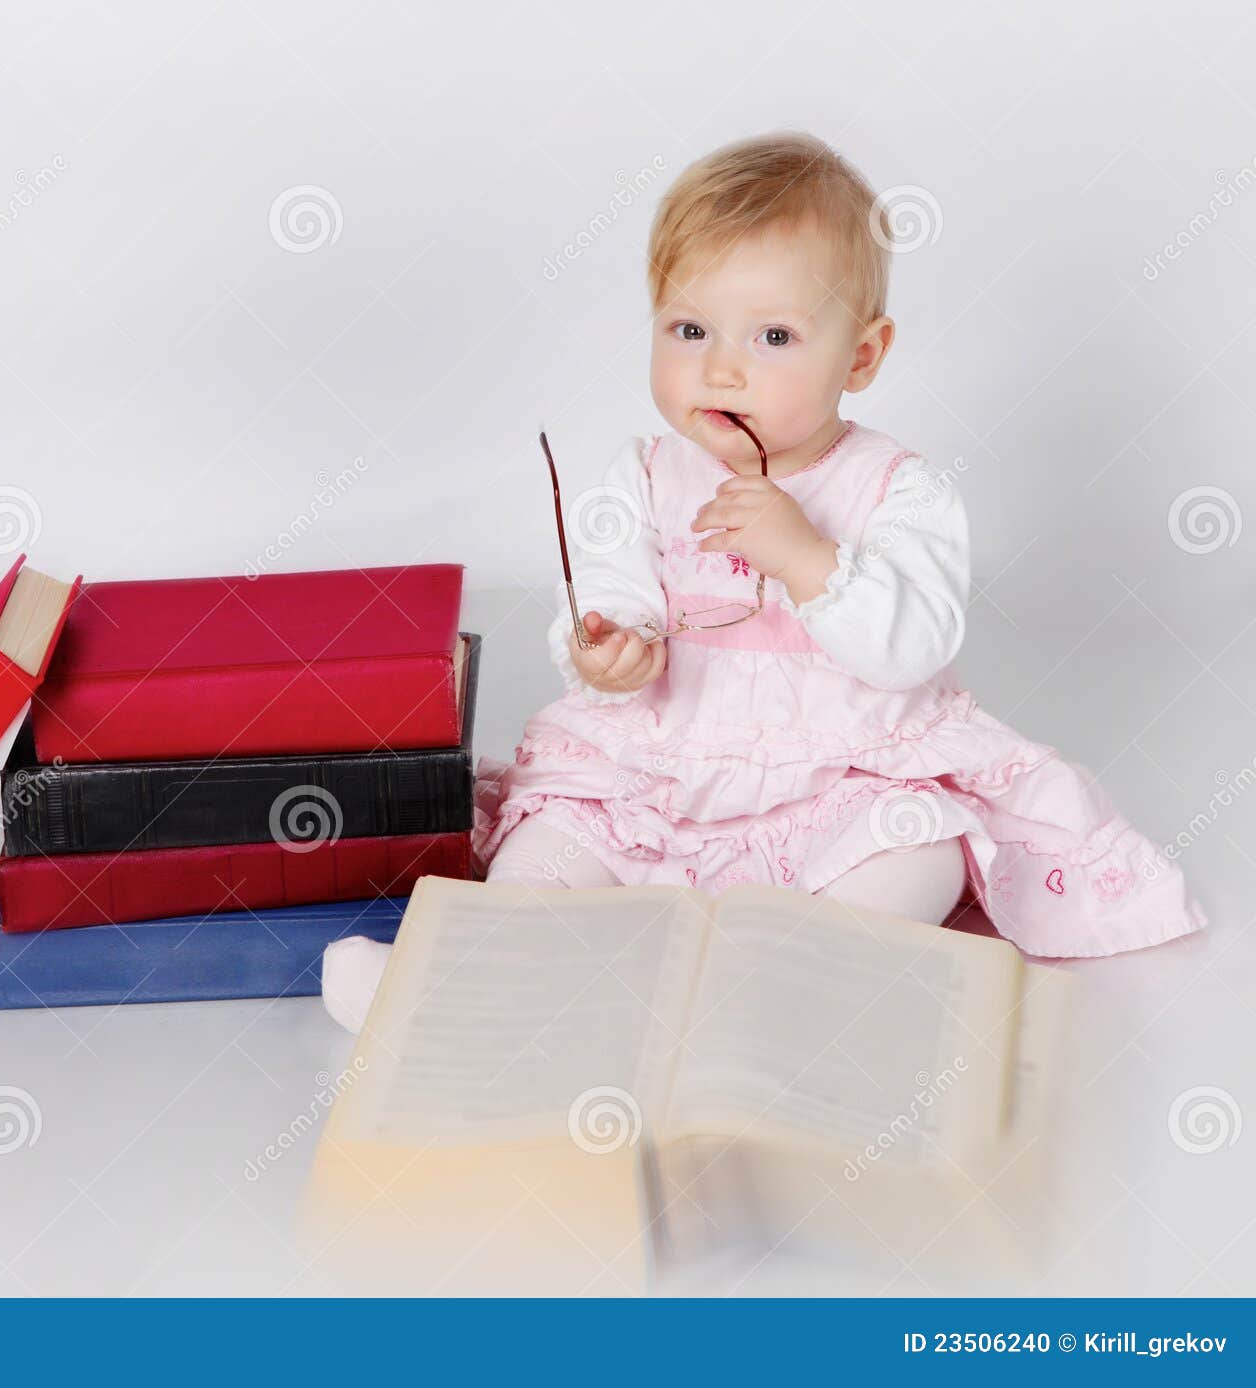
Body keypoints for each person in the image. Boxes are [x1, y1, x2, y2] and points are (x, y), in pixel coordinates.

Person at [320, 130, 1207, 1034]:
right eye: (690, 330)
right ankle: (466, 978)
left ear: (861, 356)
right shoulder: (646, 475)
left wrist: (807, 556)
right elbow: (607, 585)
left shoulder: (894, 489)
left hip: (839, 774)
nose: (722, 368)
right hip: (654, 769)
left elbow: (912, 649)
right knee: (553, 838)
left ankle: (790, 988)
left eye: (774, 336)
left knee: (920, 848)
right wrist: (611, 646)